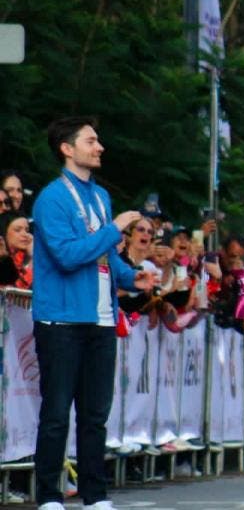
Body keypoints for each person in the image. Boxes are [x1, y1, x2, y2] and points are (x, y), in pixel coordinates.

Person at [31, 116, 155, 510]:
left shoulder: (100, 197)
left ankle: (95, 496)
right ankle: (50, 495)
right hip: (62, 319)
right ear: (68, 149)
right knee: (55, 412)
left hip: (101, 318)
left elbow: (104, 257)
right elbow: (67, 256)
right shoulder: (52, 199)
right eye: (91, 141)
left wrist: (133, 278)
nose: (99, 147)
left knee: (95, 415)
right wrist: (115, 229)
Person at [0, 212, 34, 289]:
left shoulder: (22, 256)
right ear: (4, 232)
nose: (25, 234)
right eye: (18, 230)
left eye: (27, 230)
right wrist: (30, 262)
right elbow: (11, 295)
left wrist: (29, 258)